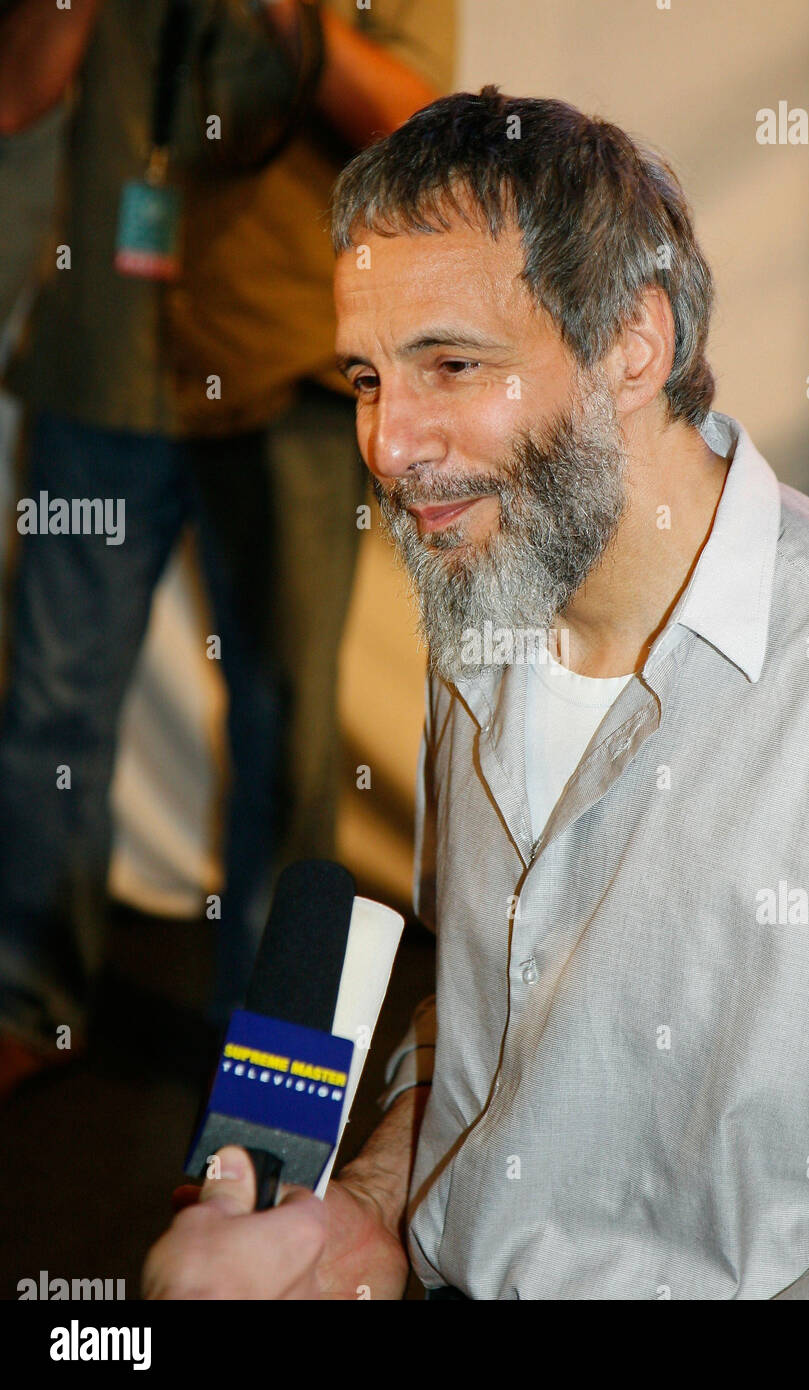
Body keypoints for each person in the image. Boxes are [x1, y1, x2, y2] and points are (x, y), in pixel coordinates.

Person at [143, 87, 809, 1301]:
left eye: (452, 362)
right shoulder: (482, 616)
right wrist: (364, 1211)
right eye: (363, 378)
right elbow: (487, 1024)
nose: (391, 444)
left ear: (632, 343)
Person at [0, 0, 452, 1098]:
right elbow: (15, 96)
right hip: (100, 358)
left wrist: (299, 23)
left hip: (281, 362)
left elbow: (422, 129)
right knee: (50, 703)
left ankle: (273, 1047)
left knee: (285, 717)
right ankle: (24, 999)